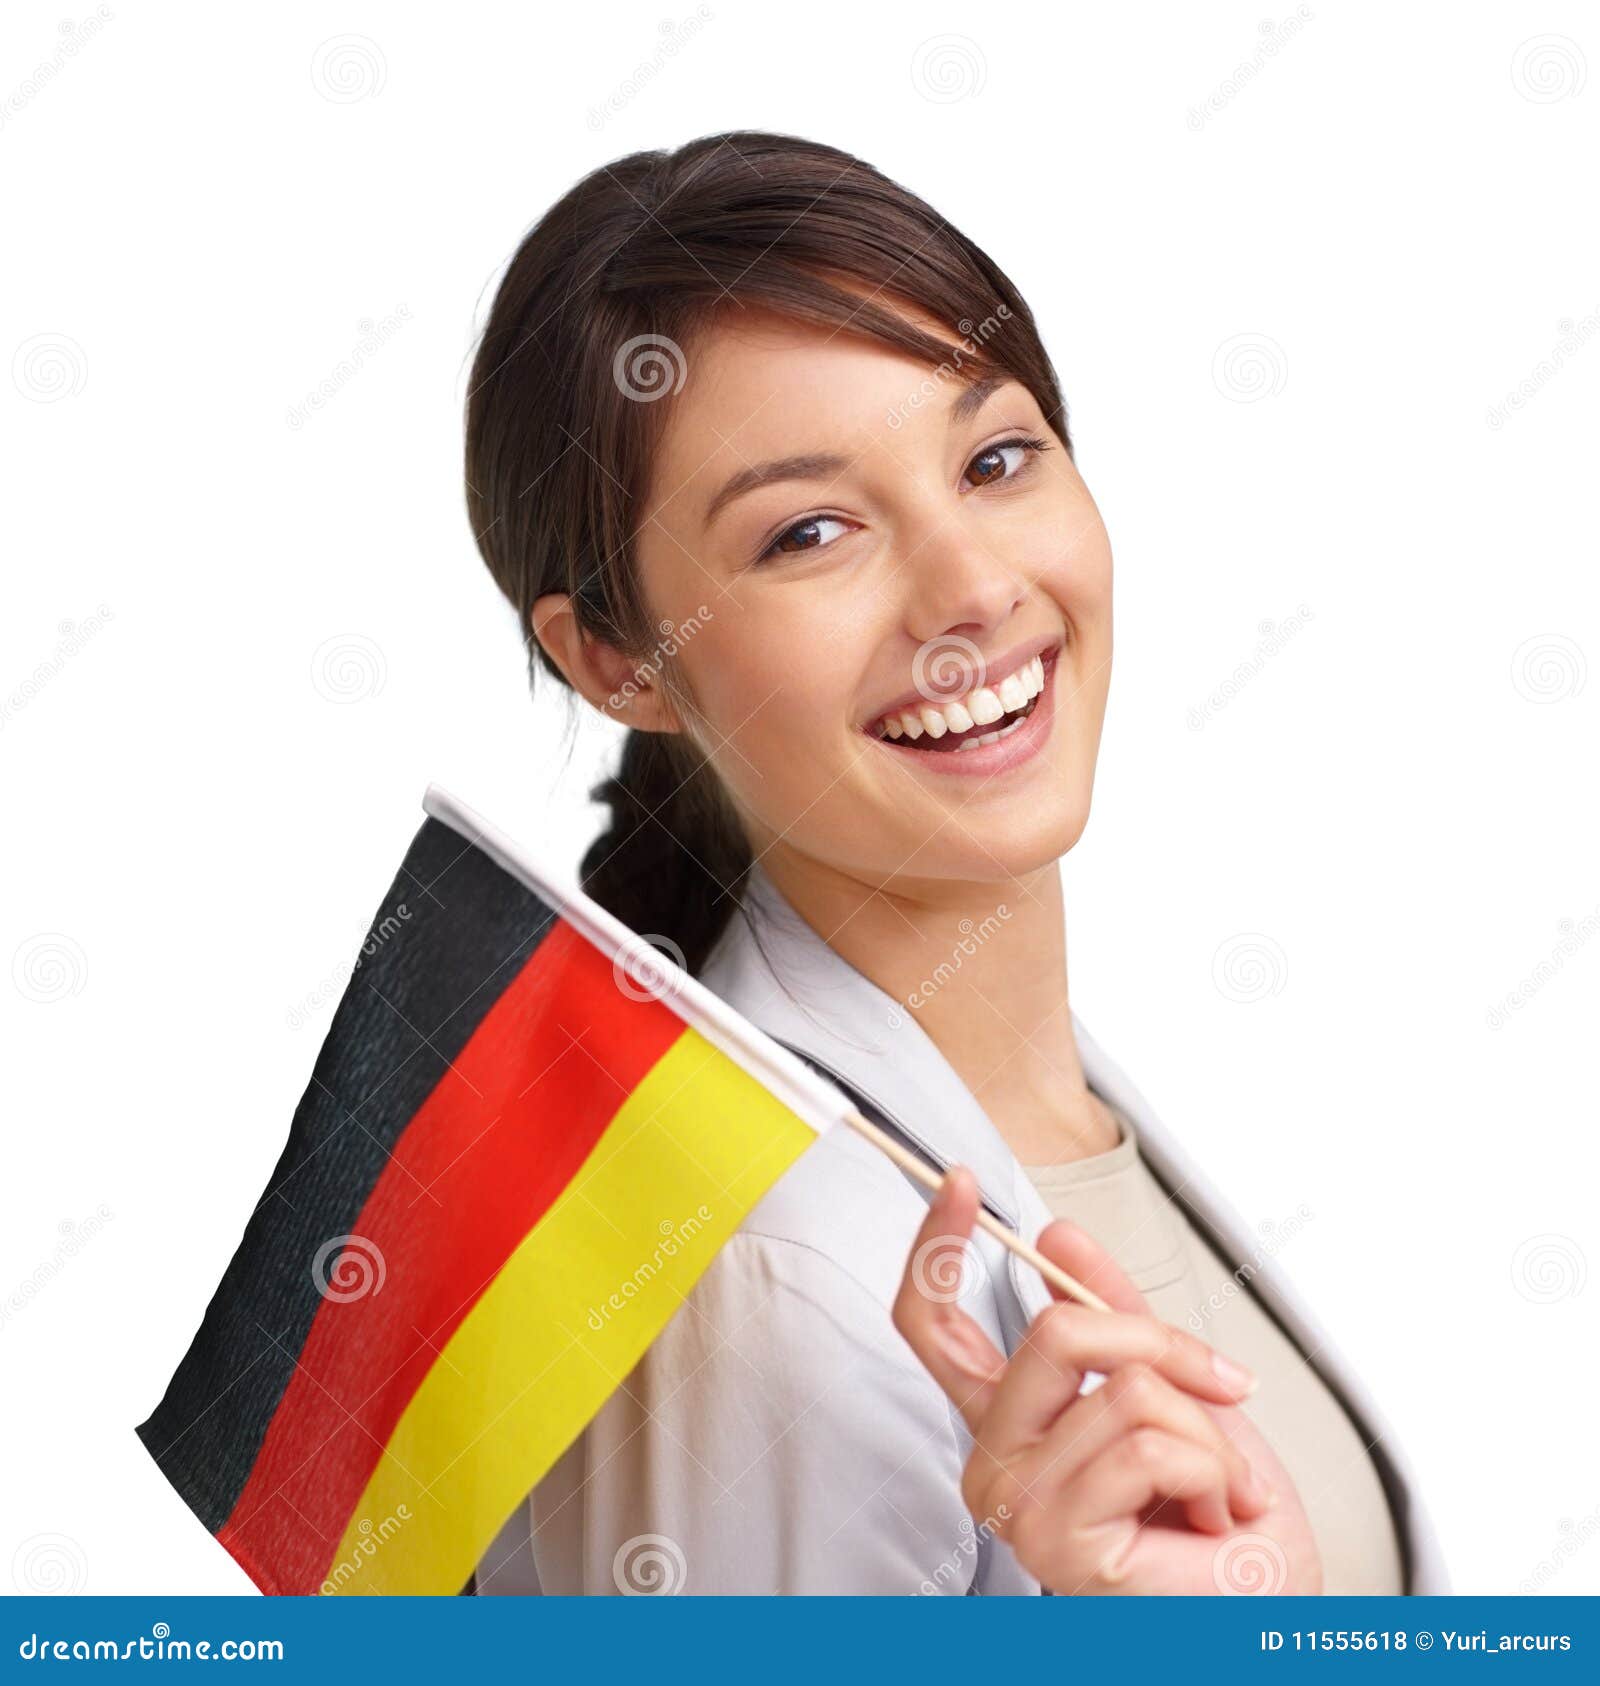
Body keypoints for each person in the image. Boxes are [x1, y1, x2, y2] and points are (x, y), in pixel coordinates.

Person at [462, 129, 1446, 1596]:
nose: (976, 586)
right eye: (809, 532)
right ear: (616, 660)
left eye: (995, 456)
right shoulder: (763, 1283)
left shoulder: (1060, 1104)